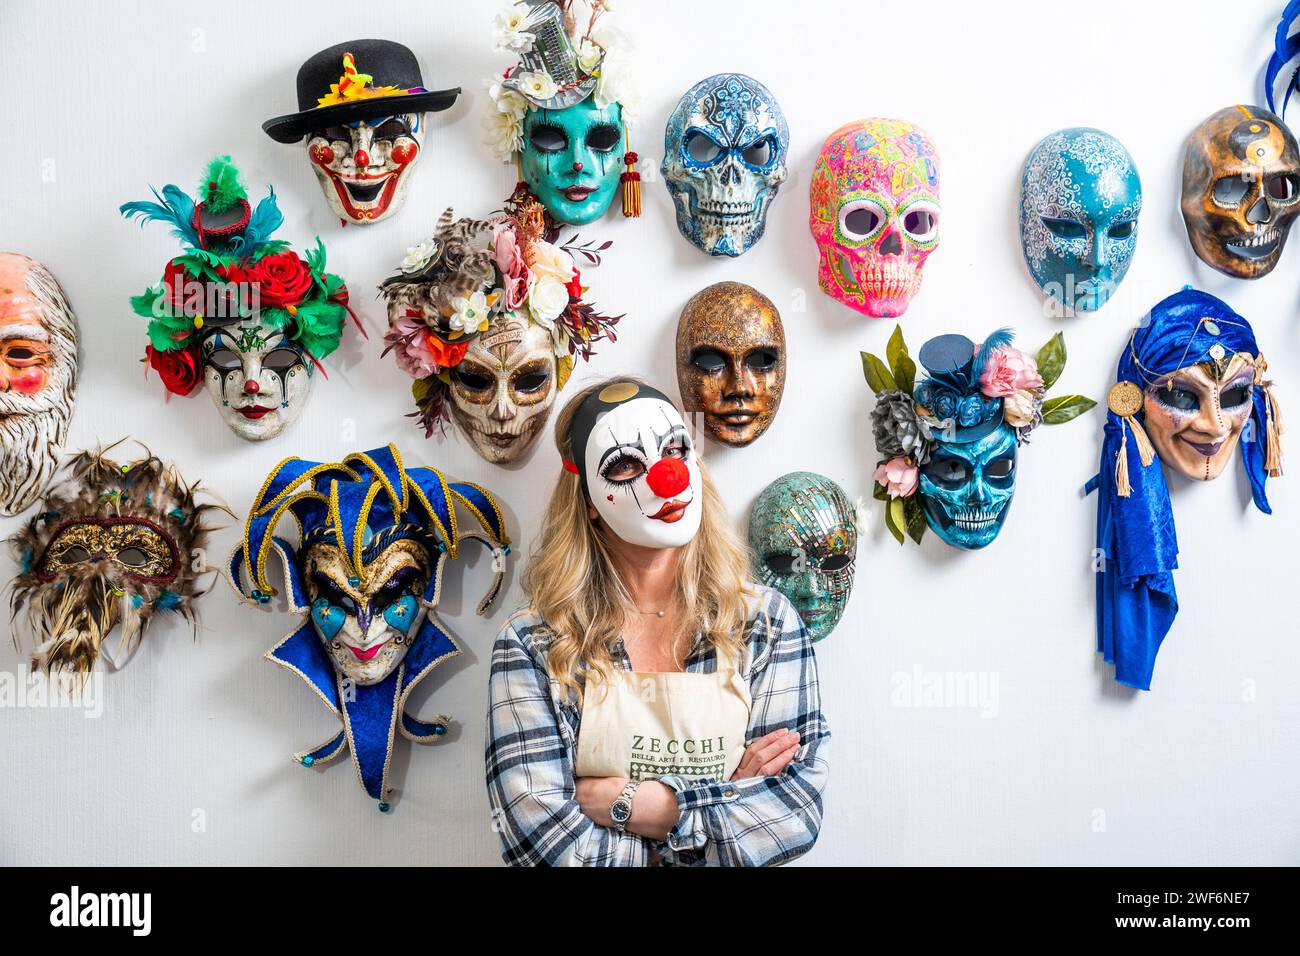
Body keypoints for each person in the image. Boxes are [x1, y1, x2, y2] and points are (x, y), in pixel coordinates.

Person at [485, 377, 829, 866]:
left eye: (674, 449)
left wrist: (633, 804)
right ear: (589, 502)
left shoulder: (765, 622)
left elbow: (793, 817)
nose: (664, 478)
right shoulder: (534, 643)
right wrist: (725, 799)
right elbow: (541, 846)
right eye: (625, 464)